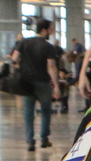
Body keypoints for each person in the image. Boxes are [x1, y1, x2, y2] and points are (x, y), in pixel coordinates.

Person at [10, 18, 61, 152]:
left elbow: (14, 58)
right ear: (44, 30)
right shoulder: (48, 46)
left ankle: (30, 141)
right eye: (50, 28)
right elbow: (51, 66)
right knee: (45, 111)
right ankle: (44, 139)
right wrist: (56, 86)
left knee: (28, 112)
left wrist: (22, 64)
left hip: (26, 83)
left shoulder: (24, 42)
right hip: (42, 82)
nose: (52, 31)